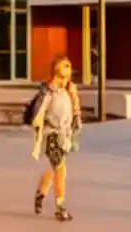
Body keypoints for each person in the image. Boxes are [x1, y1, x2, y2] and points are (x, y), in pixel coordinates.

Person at [31, 54, 82, 222]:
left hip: (64, 136)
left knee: (55, 170)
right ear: (55, 72)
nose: (66, 78)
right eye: (63, 74)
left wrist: (74, 98)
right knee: (60, 170)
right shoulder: (48, 91)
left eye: (68, 74)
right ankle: (60, 207)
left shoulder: (68, 90)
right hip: (51, 135)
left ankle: (41, 193)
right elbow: (38, 114)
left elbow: (75, 112)